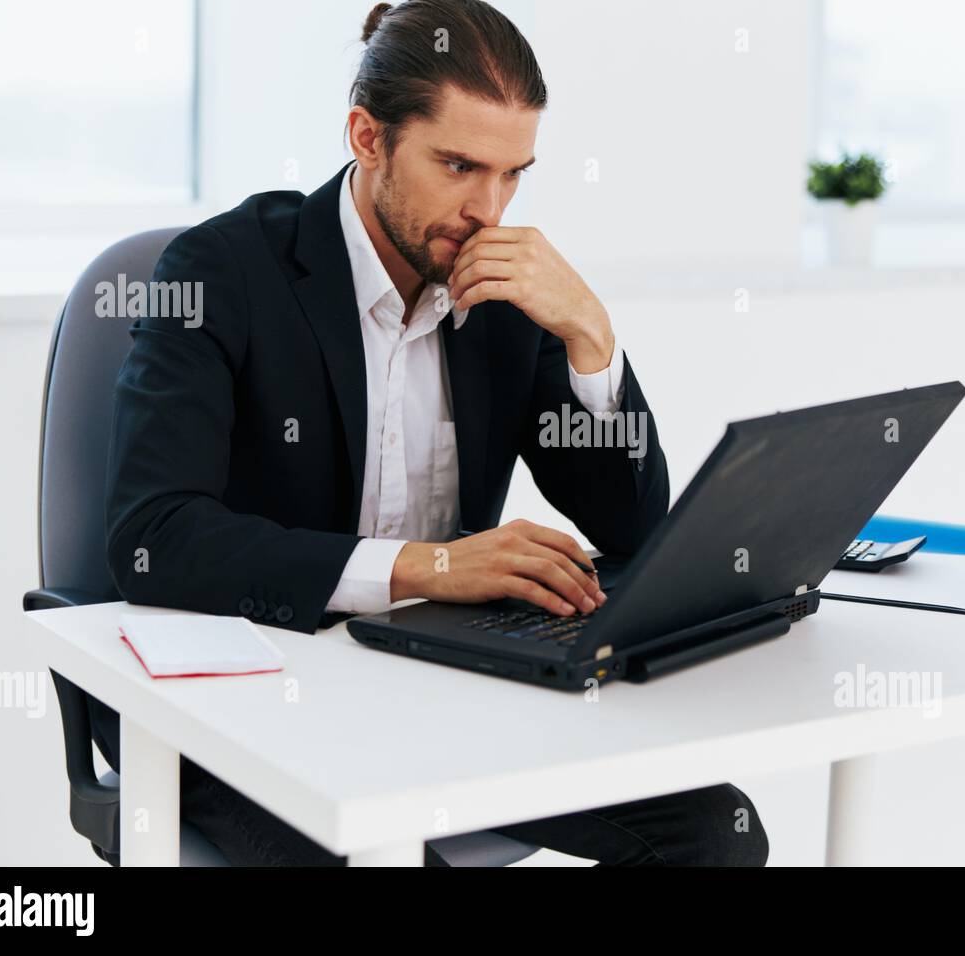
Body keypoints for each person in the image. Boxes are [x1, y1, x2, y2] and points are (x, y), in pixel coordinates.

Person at [103, 0, 767, 867]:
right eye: (458, 166)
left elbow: (633, 528)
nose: (488, 209)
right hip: (252, 705)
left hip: (438, 691)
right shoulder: (218, 272)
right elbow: (153, 537)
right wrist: (435, 568)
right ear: (367, 137)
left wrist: (589, 337)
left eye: (514, 173)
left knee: (716, 836)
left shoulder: (499, 286)